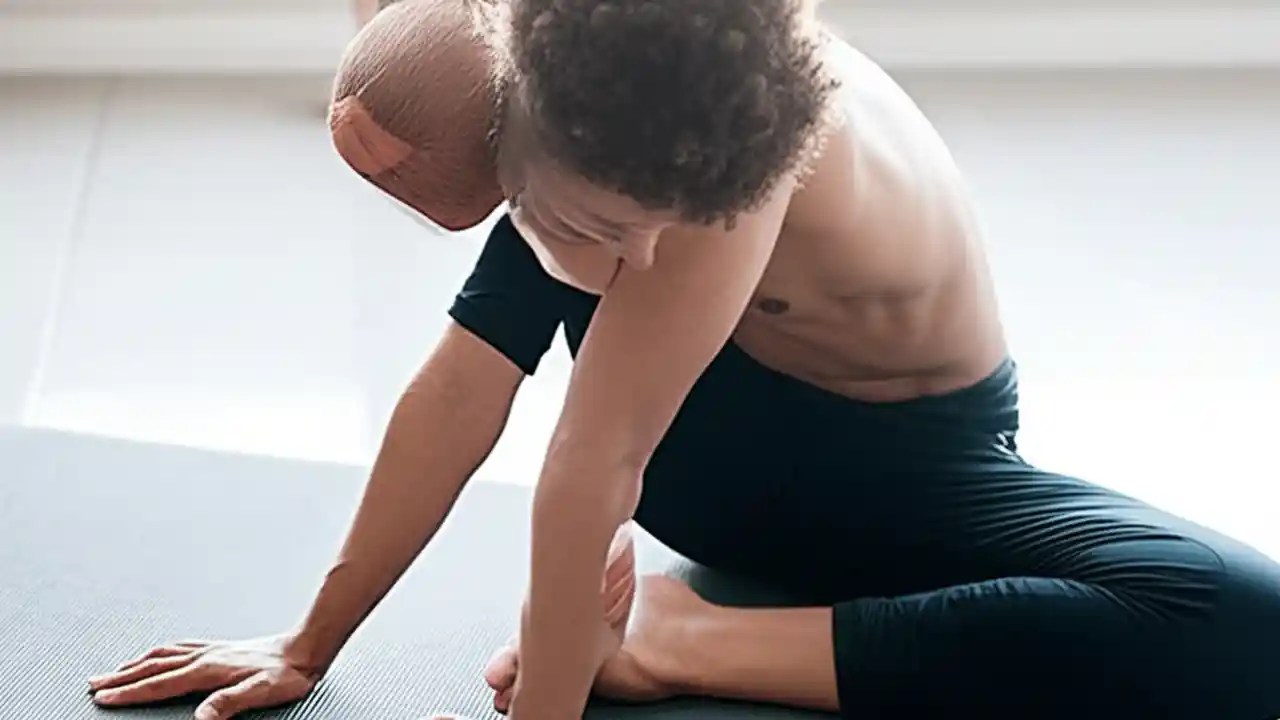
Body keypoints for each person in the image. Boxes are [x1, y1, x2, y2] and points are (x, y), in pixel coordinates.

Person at [86, 0, 1280, 718]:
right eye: (608, 229)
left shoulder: (713, 160)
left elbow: (586, 466)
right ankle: (639, 621)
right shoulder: (569, 71)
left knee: (1240, 623)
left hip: (895, 476)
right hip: (704, 450)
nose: (635, 260)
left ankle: (675, 641)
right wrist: (307, 643)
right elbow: (469, 381)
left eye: (639, 229)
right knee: (567, 243)